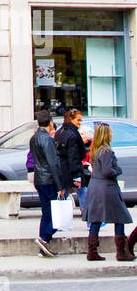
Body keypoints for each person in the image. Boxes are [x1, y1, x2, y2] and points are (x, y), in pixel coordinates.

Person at [83, 122, 134, 263]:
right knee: (119, 217)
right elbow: (107, 171)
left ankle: (92, 251)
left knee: (96, 219)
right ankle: (121, 252)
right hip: (107, 188)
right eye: (110, 132)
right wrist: (118, 170)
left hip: (95, 186)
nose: (112, 134)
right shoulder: (106, 151)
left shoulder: (95, 150)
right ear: (106, 134)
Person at [30, 109, 67, 258]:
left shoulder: (34, 138)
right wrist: (60, 186)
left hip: (39, 178)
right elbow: (53, 163)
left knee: (46, 212)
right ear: (50, 123)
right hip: (49, 179)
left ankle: (43, 245)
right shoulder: (47, 139)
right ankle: (44, 238)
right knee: (57, 215)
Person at [55, 108, 89, 213]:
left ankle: (60, 221)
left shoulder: (60, 131)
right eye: (78, 120)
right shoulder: (73, 134)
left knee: (63, 195)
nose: (80, 123)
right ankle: (89, 218)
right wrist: (77, 175)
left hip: (62, 170)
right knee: (83, 193)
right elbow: (74, 156)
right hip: (72, 170)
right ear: (71, 119)